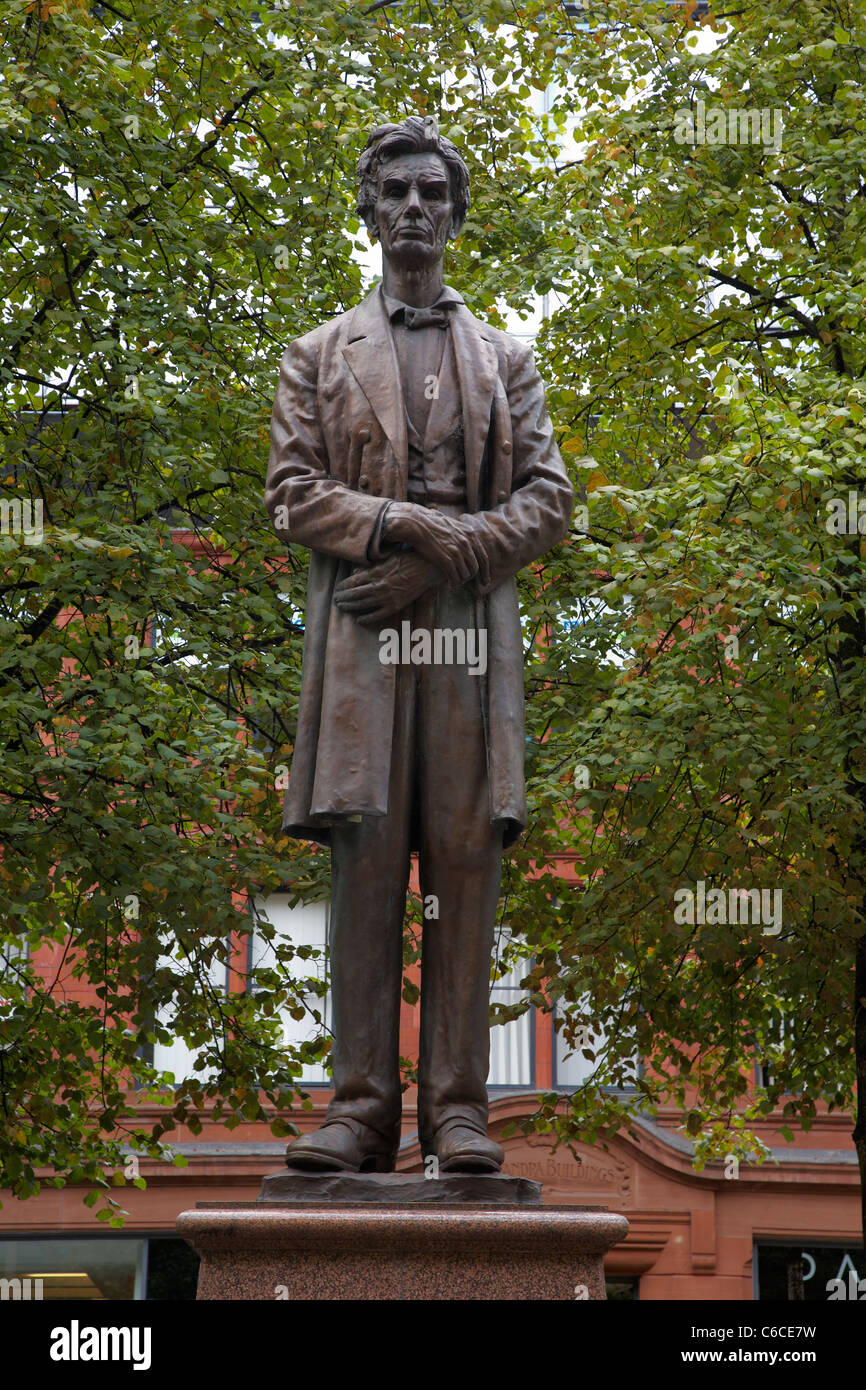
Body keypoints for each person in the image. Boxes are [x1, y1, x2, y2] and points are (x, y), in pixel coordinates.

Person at [265, 115, 573, 1172]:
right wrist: (402, 526)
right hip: (364, 641)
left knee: (461, 858)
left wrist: (444, 555)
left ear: (453, 212)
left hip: (465, 641)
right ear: (367, 208)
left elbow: (547, 501)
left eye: (429, 193)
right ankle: (357, 1111)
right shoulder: (315, 355)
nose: (411, 207)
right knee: (363, 866)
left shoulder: (505, 360)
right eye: (392, 190)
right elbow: (294, 495)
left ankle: (457, 1112)